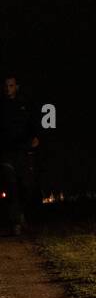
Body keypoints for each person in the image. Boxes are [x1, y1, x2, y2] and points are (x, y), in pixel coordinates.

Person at [1, 74, 40, 234]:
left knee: (26, 186)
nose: (8, 89)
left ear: (17, 87)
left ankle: (21, 215)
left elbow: (34, 123)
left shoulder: (25, 104)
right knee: (11, 186)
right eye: (5, 86)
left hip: (23, 151)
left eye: (11, 85)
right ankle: (15, 222)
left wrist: (36, 137)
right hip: (6, 152)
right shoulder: (1, 106)